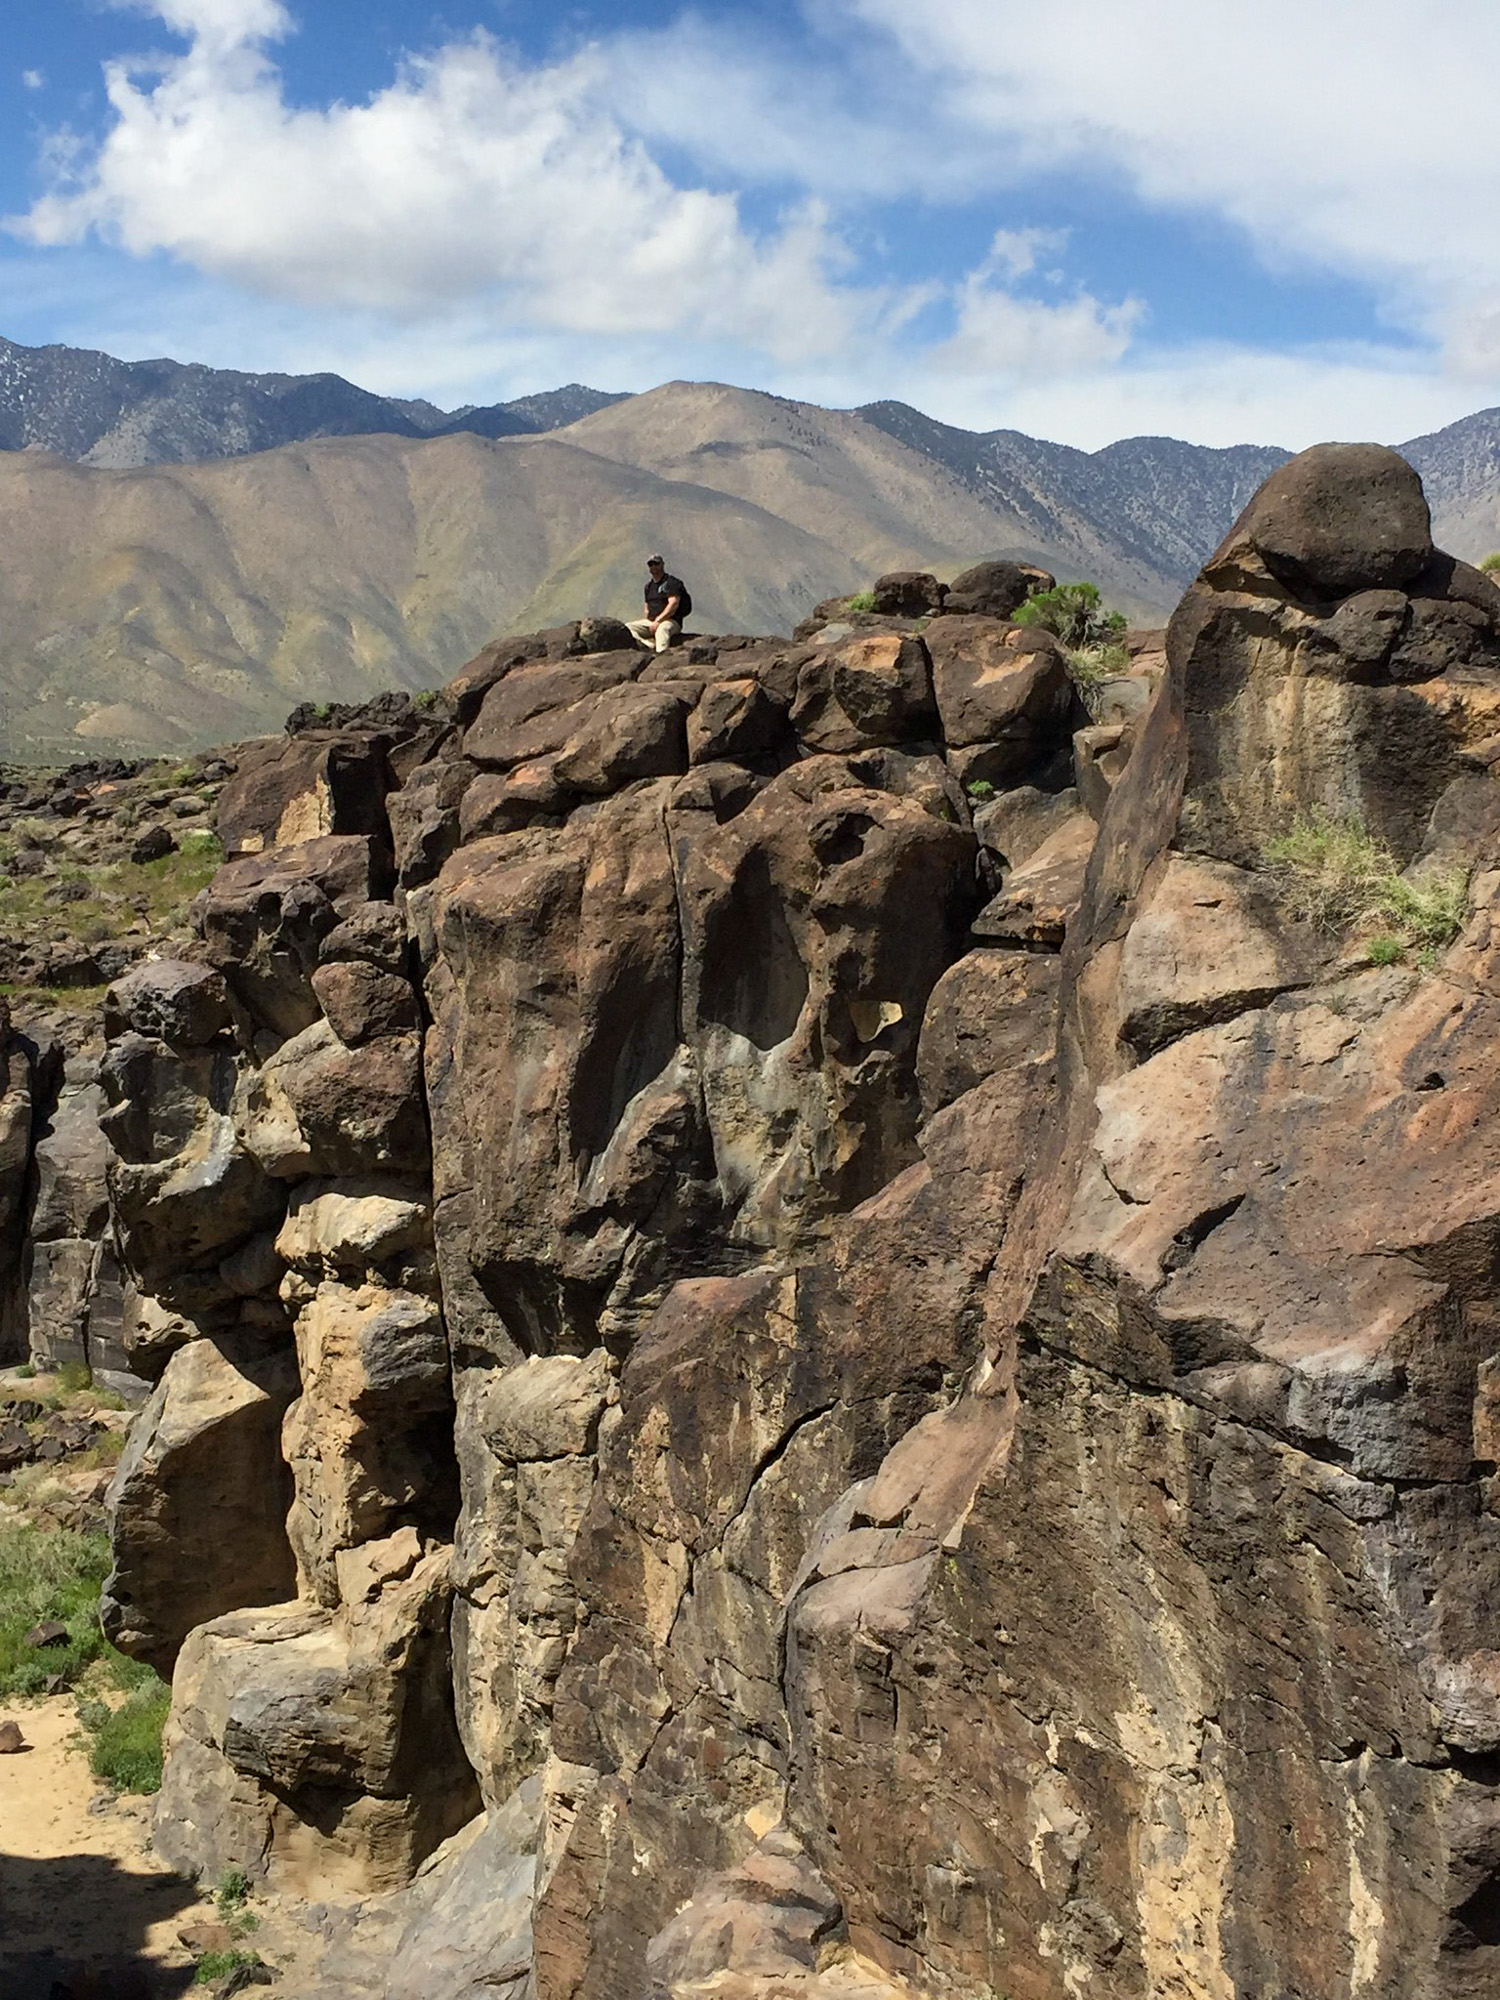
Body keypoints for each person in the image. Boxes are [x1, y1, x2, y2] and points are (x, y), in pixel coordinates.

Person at [627, 555, 692, 654]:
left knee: (662, 630)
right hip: (652, 622)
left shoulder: (672, 582)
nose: (653, 566)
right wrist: (649, 622)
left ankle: (661, 655)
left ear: (662, 564)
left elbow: (673, 604)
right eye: (651, 564)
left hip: (670, 621)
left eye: (656, 563)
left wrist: (659, 620)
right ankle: (647, 646)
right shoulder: (648, 586)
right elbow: (647, 607)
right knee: (627, 628)